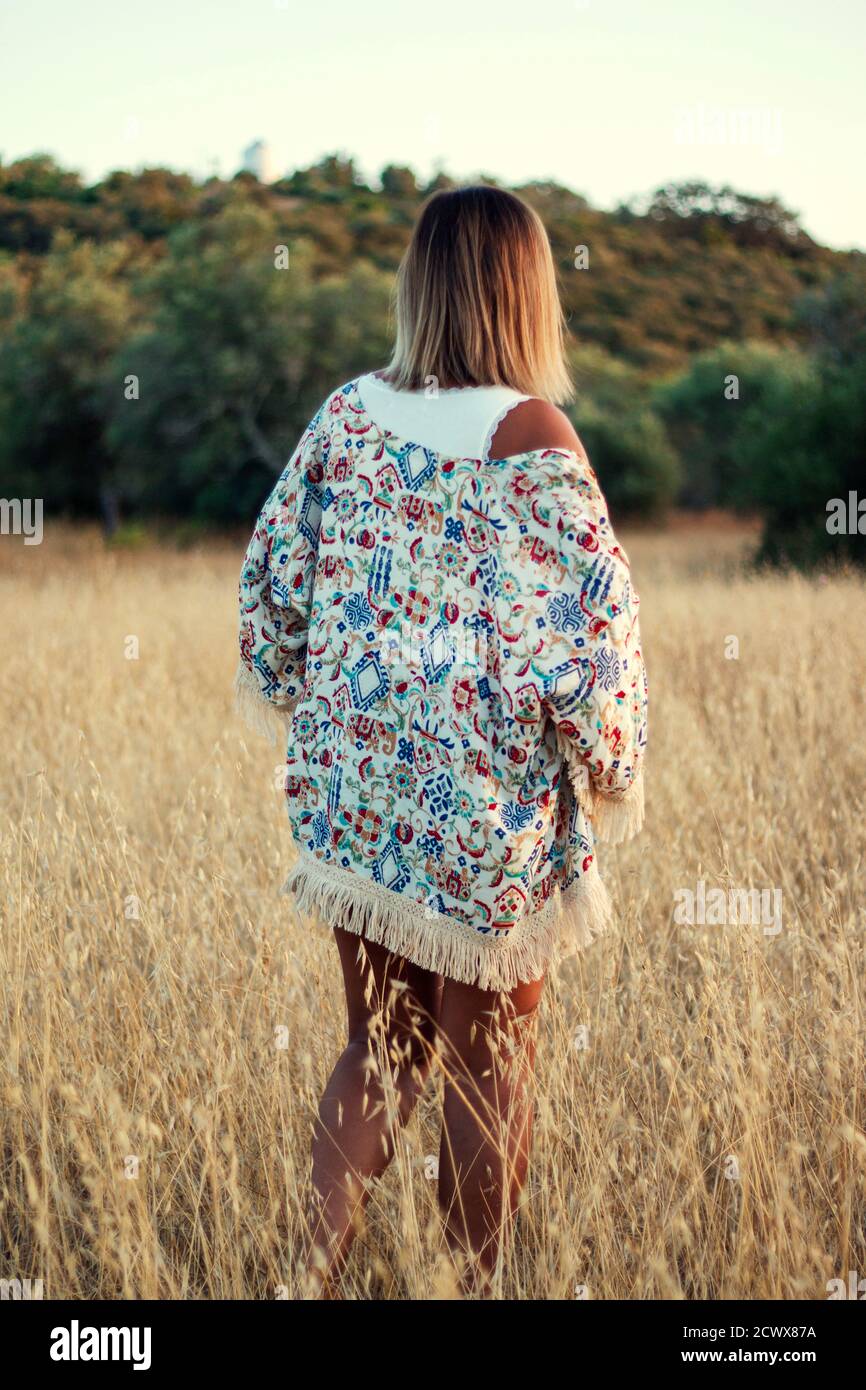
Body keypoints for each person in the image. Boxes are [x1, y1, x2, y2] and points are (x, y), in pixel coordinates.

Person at [236, 185, 648, 1296]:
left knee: (374, 1048)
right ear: (527, 292)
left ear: (418, 284)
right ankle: (470, 1294)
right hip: (481, 812)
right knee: (484, 1067)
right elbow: (591, 644)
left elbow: (270, 580)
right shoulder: (533, 437)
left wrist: (326, 708)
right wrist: (607, 763)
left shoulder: (344, 415)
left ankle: (303, 1278)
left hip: (351, 789)